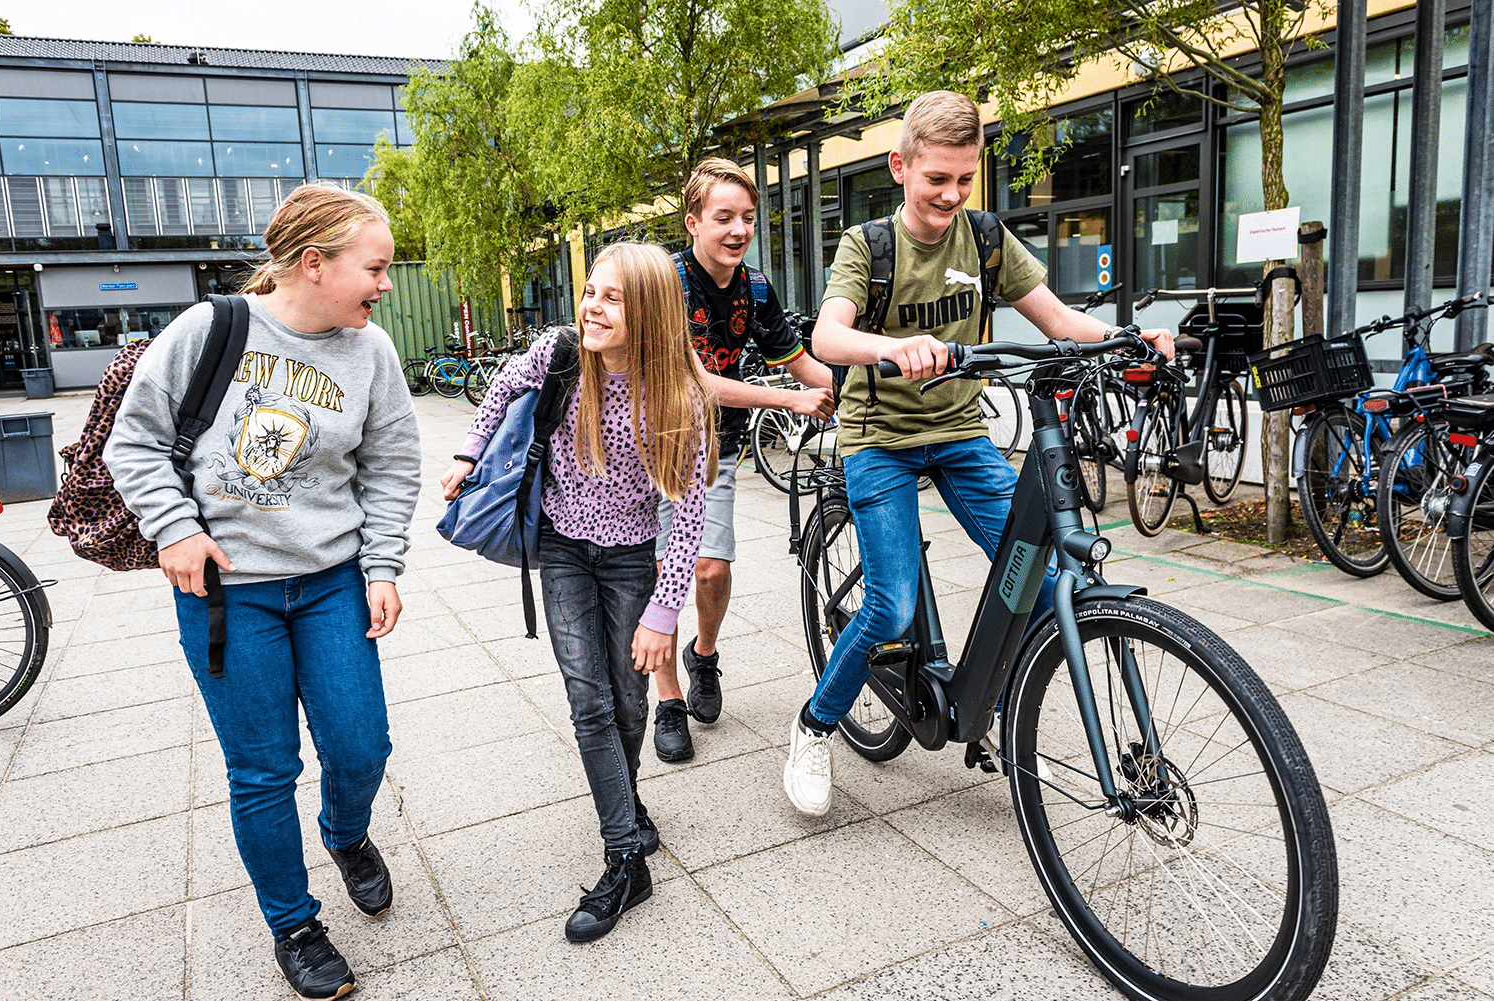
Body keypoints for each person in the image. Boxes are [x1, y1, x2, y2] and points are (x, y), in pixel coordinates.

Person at [782, 91, 1174, 817]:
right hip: (882, 440)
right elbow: (828, 338)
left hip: (960, 433)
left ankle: (992, 698)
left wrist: (1130, 336)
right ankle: (814, 724)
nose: (952, 194)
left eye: (965, 179)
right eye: (937, 179)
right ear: (901, 167)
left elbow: (1055, 318)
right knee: (893, 607)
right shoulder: (868, 247)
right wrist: (895, 348)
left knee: (1044, 574)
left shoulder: (986, 239)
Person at [105, 184, 420, 1000]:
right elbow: (131, 441)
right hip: (228, 595)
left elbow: (391, 466)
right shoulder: (210, 330)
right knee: (263, 768)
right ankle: (295, 923)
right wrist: (173, 526)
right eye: (375, 268)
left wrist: (383, 566)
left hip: (330, 585)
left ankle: (347, 833)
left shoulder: (372, 354)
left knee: (361, 745)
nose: (385, 284)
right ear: (314, 264)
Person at [441, 241, 716, 943]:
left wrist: (664, 612)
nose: (591, 306)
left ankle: (624, 806)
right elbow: (502, 386)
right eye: (590, 291)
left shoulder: (680, 393)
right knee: (590, 702)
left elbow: (687, 517)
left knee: (629, 703)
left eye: (611, 297)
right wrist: (470, 450)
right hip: (563, 549)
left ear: (648, 310)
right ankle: (625, 857)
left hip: (631, 560)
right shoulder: (562, 354)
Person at [652, 157, 836, 762]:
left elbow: (796, 357)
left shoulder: (756, 288)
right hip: (648, 450)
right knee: (663, 577)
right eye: (723, 217)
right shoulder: (666, 283)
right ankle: (668, 699)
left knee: (710, 569)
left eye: (747, 219)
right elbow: (696, 381)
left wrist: (844, 386)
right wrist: (791, 399)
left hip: (715, 450)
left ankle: (704, 654)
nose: (737, 230)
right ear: (693, 223)